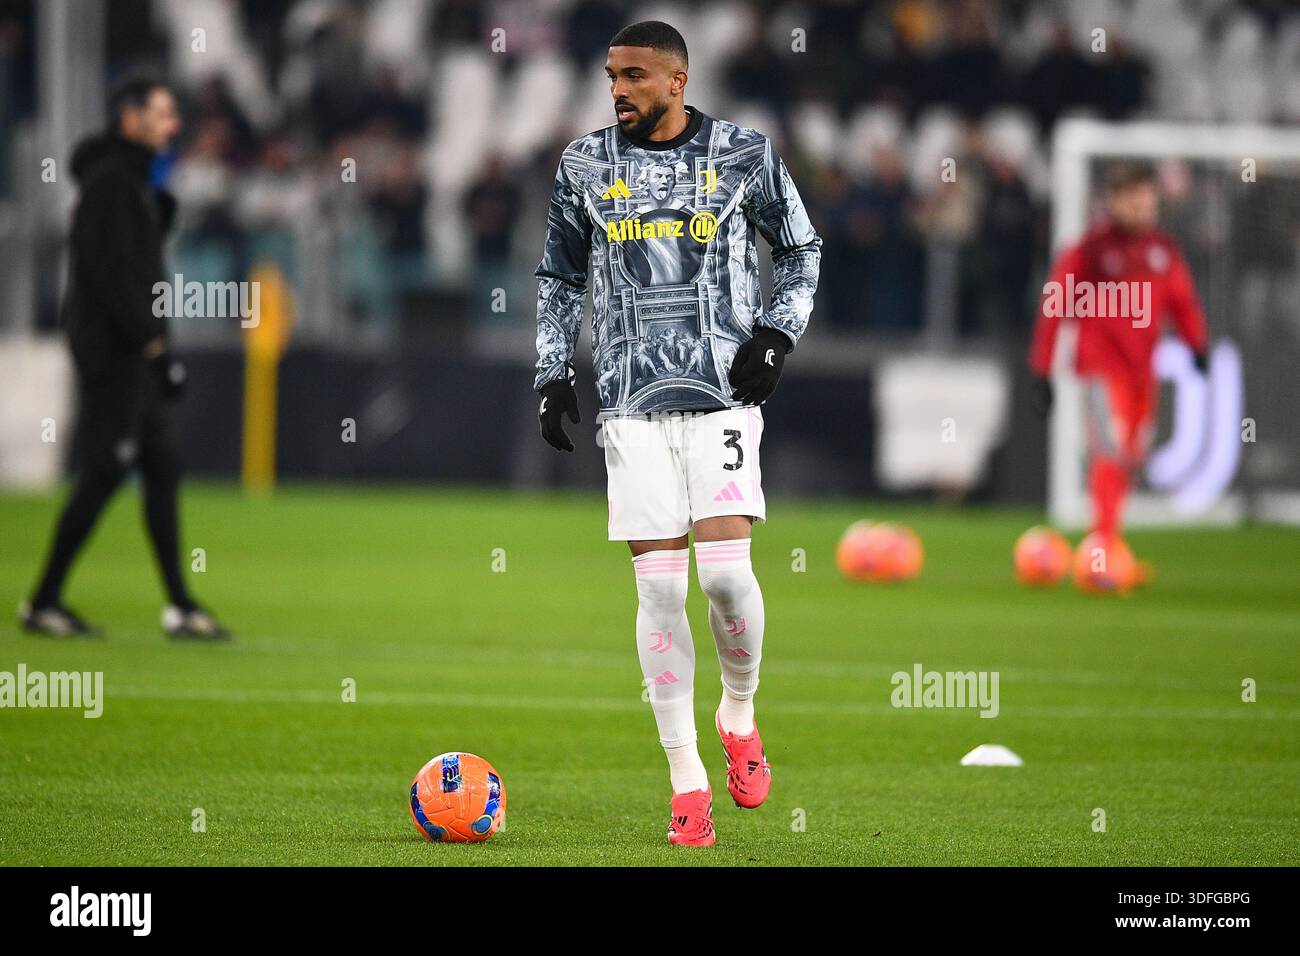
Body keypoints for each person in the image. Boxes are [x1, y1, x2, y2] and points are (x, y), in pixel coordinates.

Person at [533, 21, 820, 846]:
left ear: (677, 81)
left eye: (633, 76)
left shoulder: (742, 153)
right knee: (658, 592)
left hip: (723, 396)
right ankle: (686, 779)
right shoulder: (583, 165)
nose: (617, 90)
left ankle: (739, 711)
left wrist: (775, 334)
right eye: (610, 77)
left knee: (726, 581)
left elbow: (801, 248)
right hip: (629, 405)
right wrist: (553, 374)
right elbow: (557, 275)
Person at [20, 78, 229, 640]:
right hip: (115, 353)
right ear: (128, 118)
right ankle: (43, 599)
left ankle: (180, 605)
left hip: (132, 350)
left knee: (160, 465)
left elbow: (134, 272)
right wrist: (152, 344)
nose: (172, 124)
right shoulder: (113, 184)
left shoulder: (130, 183)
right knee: (105, 470)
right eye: (161, 114)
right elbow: (114, 278)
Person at [1029, 161, 1209, 569]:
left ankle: (1109, 543)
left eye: (1150, 203)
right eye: (1136, 202)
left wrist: (1197, 346)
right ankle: (1104, 549)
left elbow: (1182, 302)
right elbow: (1055, 305)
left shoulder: (1163, 251)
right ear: (1114, 202)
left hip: (1143, 372)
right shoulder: (1091, 251)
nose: (1144, 211)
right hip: (1099, 369)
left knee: (1129, 456)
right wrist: (1042, 369)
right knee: (1108, 453)